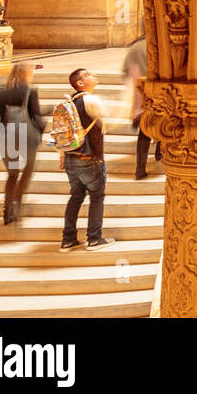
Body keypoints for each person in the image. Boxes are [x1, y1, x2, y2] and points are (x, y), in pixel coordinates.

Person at [59, 68, 114, 251]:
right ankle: (94, 239)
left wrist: (62, 155)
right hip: (90, 157)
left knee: (76, 196)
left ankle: (68, 240)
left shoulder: (69, 103)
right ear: (80, 83)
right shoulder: (91, 100)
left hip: (70, 157)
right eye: (89, 74)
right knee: (97, 196)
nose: (94, 75)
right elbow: (108, 123)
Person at [0, 61, 45, 223]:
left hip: (6, 139)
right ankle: (17, 204)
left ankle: (7, 210)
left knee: (12, 175)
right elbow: (37, 118)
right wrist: (39, 135)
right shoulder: (30, 92)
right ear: (27, 74)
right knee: (28, 171)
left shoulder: (1, 93)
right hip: (27, 139)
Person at [124, 38, 160, 179]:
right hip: (156, 89)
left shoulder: (136, 46)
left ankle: (140, 168)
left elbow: (128, 71)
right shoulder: (158, 41)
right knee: (164, 121)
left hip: (141, 92)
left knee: (144, 132)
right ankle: (159, 152)